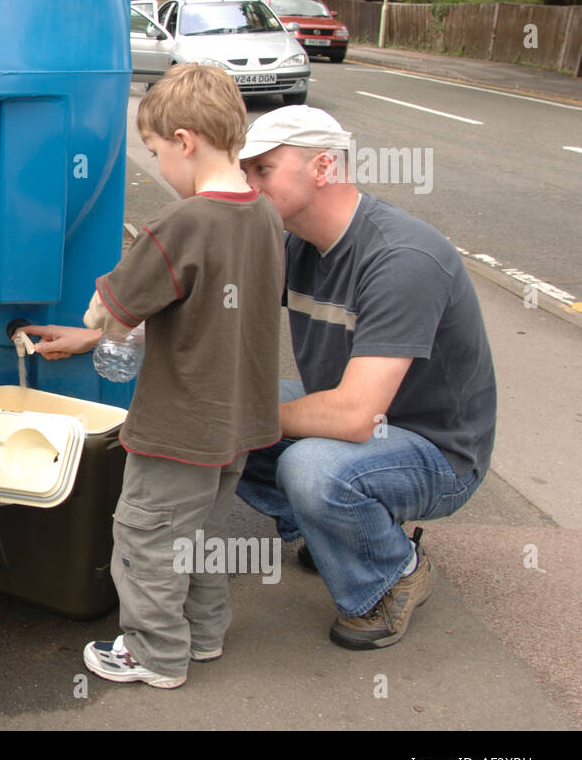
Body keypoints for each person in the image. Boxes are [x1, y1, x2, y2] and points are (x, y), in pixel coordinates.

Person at [38, 64, 286, 688]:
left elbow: (115, 305)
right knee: (203, 534)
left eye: (154, 153)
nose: (158, 167)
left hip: (180, 424)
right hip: (238, 421)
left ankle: (153, 652)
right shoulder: (264, 215)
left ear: (185, 140)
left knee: (146, 535)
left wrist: (100, 319)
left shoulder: (185, 223)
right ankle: (203, 634)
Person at [235, 105, 495, 650]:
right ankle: (333, 533)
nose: (247, 183)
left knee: (307, 464)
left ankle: (393, 573)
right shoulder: (296, 244)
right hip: (357, 421)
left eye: (262, 169)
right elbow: (215, 308)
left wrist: (236, 415)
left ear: (324, 167)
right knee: (216, 412)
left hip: (437, 452)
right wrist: (111, 329)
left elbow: (356, 417)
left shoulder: (403, 257)